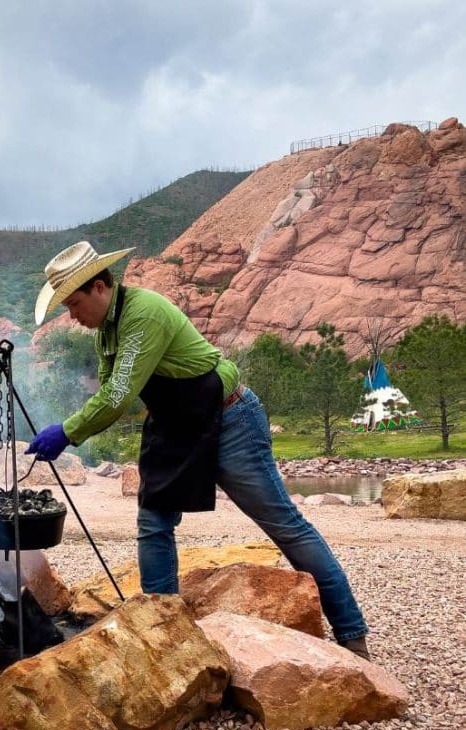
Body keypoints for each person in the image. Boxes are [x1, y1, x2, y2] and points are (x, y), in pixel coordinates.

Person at [26, 241, 370, 658]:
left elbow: (118, 395)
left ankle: (351, 633)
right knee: (153, 523)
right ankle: (162, 636)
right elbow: (110, 389)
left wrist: (66, 432)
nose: (73, 316)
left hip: (229, 420)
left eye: (75, 303)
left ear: (100, 287)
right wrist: (71, 428)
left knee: (284, 525)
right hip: (176, 425)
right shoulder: (106, 333)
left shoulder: (143, 313)